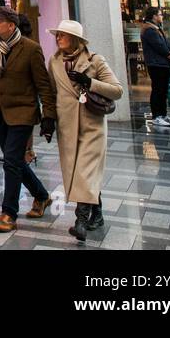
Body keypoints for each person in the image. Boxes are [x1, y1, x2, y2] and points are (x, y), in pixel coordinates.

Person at [0, 7, 57, 233]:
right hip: (0, 112)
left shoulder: (31, 49)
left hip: (23, 112)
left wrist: (49, 116)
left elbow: (44, 87)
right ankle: (41, 196)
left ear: (11, 25)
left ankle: (8, 213)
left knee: (11, 160)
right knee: (15, 161)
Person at [46, 20, 123, 242]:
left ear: (75, 39)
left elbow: (117, 90)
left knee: (85, 171)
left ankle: (80, 221)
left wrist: (89, 82)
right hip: (66, 125)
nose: (58, 38)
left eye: (63, 35)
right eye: (57, 35)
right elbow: (52, 92)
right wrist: (49, 119)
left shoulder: (95, 61)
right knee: (79, 173)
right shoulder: (55, 61)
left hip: (92, 125)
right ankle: (96, 214)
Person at [141, 7, 170, 128]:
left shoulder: (157, 29)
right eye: (160, 14)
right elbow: (159, 45)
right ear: (154, 16)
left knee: (163, 90)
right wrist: (169, 54)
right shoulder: (149, 30)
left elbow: (166, 43)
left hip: (162, 63)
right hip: (156, 63)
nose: (161, 16)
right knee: (158, 89)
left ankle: (163, 114)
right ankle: (157, 116)